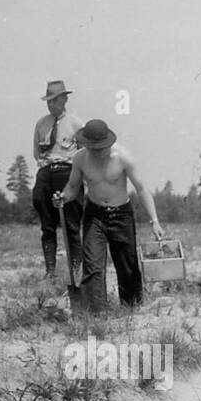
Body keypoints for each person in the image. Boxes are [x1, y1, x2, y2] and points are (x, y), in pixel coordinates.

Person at [53, 119, 164, 311]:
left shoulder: (123, 157)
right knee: (93, 264)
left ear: (109, 143)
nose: (96, 151)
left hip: (122, 215)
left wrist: (155, 221)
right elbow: (72, 187)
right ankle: (96, 311)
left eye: (100, 148)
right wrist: (62, 197)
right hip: (94, 215)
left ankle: (132, 309)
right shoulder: (80, 159)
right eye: (92, 148)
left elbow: (142, 189)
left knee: (127, 264)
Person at [31, 80, 84, 279]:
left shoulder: (76, 123)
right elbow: (37, 153)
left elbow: (83, 154)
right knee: (47, 226)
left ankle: (77, 272)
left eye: (54, 100)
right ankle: (50, 272)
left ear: (64, 99)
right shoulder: (41, 124)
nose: (51, 104)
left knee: (71, 225)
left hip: (68, 173)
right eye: (48, 101)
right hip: (46, 172)